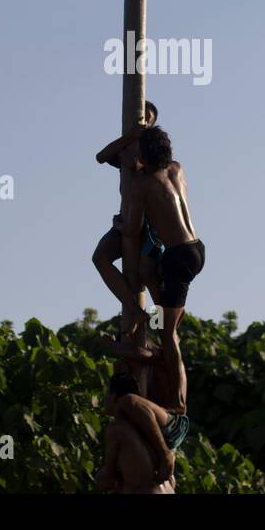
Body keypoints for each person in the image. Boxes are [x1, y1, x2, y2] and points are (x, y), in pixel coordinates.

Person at [122, 124, 204, 431]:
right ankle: (160, 322)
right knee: (147, 274)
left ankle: (179, 400)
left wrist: (131, 182)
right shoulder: (177, 168)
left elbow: (132, 229)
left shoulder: (142, 184)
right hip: (196, 248)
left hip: (177, 256)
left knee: (170, 335)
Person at [92, 101, 164, 337]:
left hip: (150, 227)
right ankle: (134, 311)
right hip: (126, 219)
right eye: (138, 118)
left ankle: (165, 329)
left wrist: (139, 165)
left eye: (147, 120)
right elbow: (101, 156)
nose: (141, 122)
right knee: (100, 257)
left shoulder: (155, 155)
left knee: (147, 277)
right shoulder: (124, 152)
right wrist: (129, 138)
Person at [101, 335, 189, 484]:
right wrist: (119, 377)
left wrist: (112, 346)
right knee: (118, 423)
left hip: (173, 423)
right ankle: (110, 471)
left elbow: (142, 354)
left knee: (129, 401)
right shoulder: (138, 370)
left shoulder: (168, 360)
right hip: (150, 418)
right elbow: (110, 409)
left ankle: (165, 455)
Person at [96, 370, 176, 494]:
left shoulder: (116, 430)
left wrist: (102, 475)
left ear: (113, 396)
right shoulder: (154, 431)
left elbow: (107, 478)